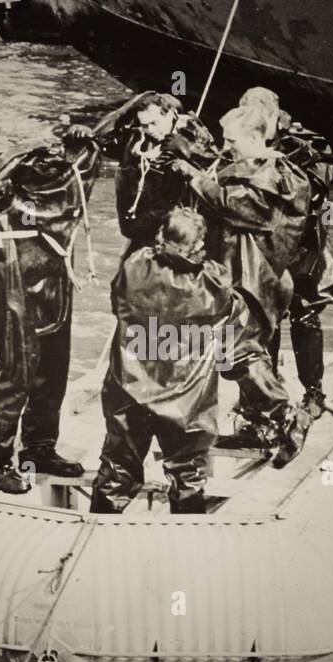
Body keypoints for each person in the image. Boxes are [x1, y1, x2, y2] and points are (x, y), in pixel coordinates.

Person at [91, 206, 291, 515]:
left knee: (116, 473)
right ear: (199, 248)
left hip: (129, 397)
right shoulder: (212, 286)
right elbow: (243, 313)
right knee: (187, 479)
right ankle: (187, 543)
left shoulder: (133, 269)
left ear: (161, 237)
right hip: (186, 406)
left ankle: (98, 535)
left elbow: (122, 286)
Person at [168, 102, 312, 457]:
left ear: (254, 136)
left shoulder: (273, 176)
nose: (226, 145)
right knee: (238, 351)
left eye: (232, 140)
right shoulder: (260, 168)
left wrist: (195, 178)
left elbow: (244, 210)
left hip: (256, 280)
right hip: (250, 276)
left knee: (237, 352)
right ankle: (259, 427)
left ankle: (287, 415)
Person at [0, 123, 100, 494]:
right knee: (18, 371)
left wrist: (79, 138)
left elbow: (92, 154)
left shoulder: (61, 188)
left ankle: (40, 447)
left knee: (53, 366)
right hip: (12, 284)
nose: (55, 161)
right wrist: (29, 144)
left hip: (50, 284)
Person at [237, 87, 333, 417]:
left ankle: (313, 392)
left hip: (305, 246)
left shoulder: (308, 144)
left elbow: (314, 191)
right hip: (266, 248)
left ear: (271, 115)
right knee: (265, 320)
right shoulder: (244, 143)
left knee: (305, 314)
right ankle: (270, 389)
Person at [96, 90, 217, 248]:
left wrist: (189, 153)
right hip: (140, 229)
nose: (150, 130)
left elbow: (213, 177)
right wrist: (128, 108)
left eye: (154, 123)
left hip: (176, 236)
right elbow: (101, 138)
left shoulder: (195, 139)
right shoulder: (138, 139)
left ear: (171, 115)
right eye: (144, 125)